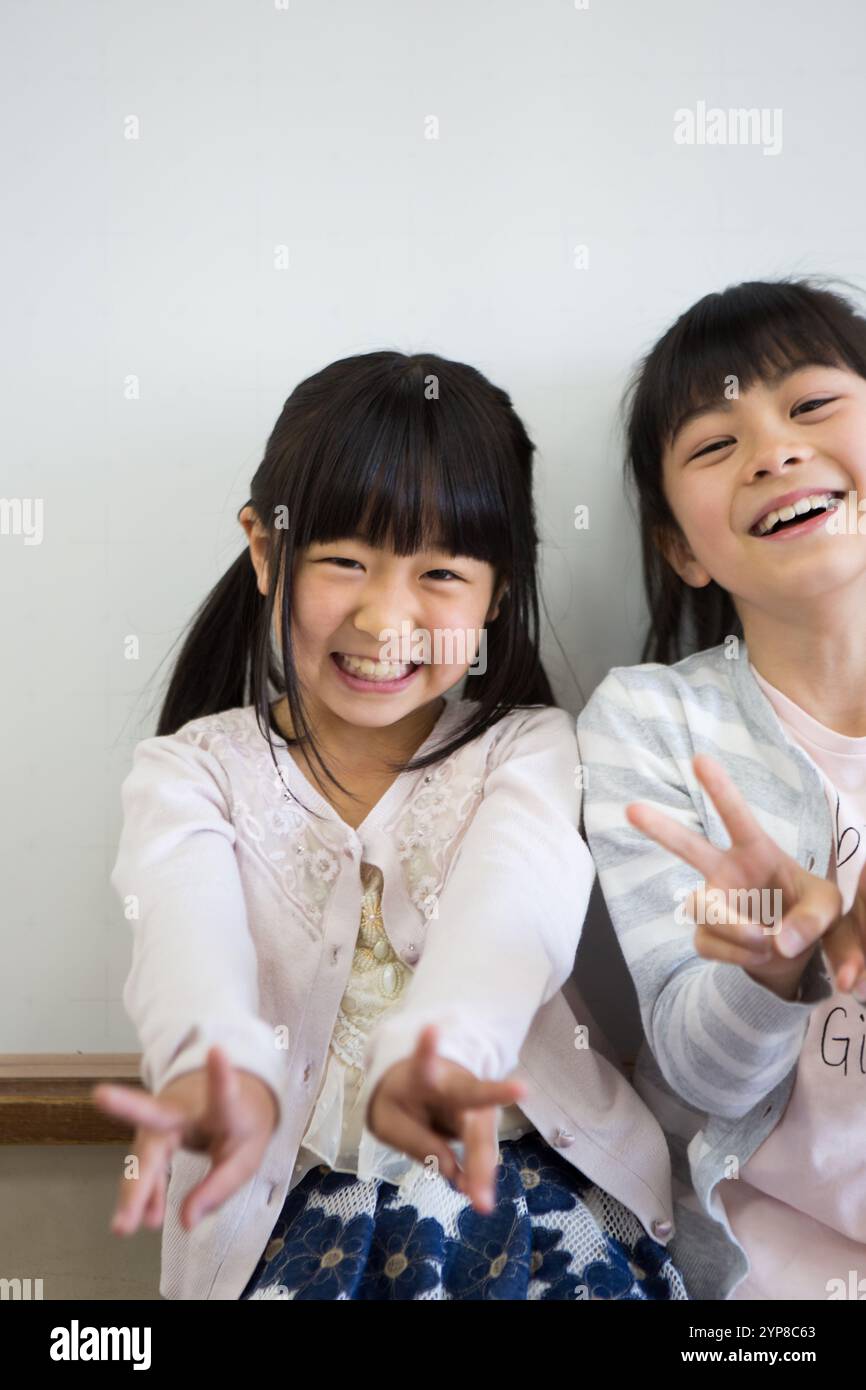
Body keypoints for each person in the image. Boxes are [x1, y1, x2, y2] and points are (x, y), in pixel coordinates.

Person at [94, 349, 685, 1300]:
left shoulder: (526, 747)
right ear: (263, 548)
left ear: (499, 590)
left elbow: (515, 911)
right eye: (342, 561)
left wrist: (444, 1054)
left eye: (442, 572)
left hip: (514, 1198)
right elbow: (184, 938)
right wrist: (217, 1068)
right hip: (286, 1218)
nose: (385, 615)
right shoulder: (191, 772)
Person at [578, 278, 866, 1299]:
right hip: (764, 1272)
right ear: (677, 550)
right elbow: (703, 1076)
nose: (772, 450)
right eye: (713, 444)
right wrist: (769, 968)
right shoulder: (649, 723)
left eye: (811, 405)